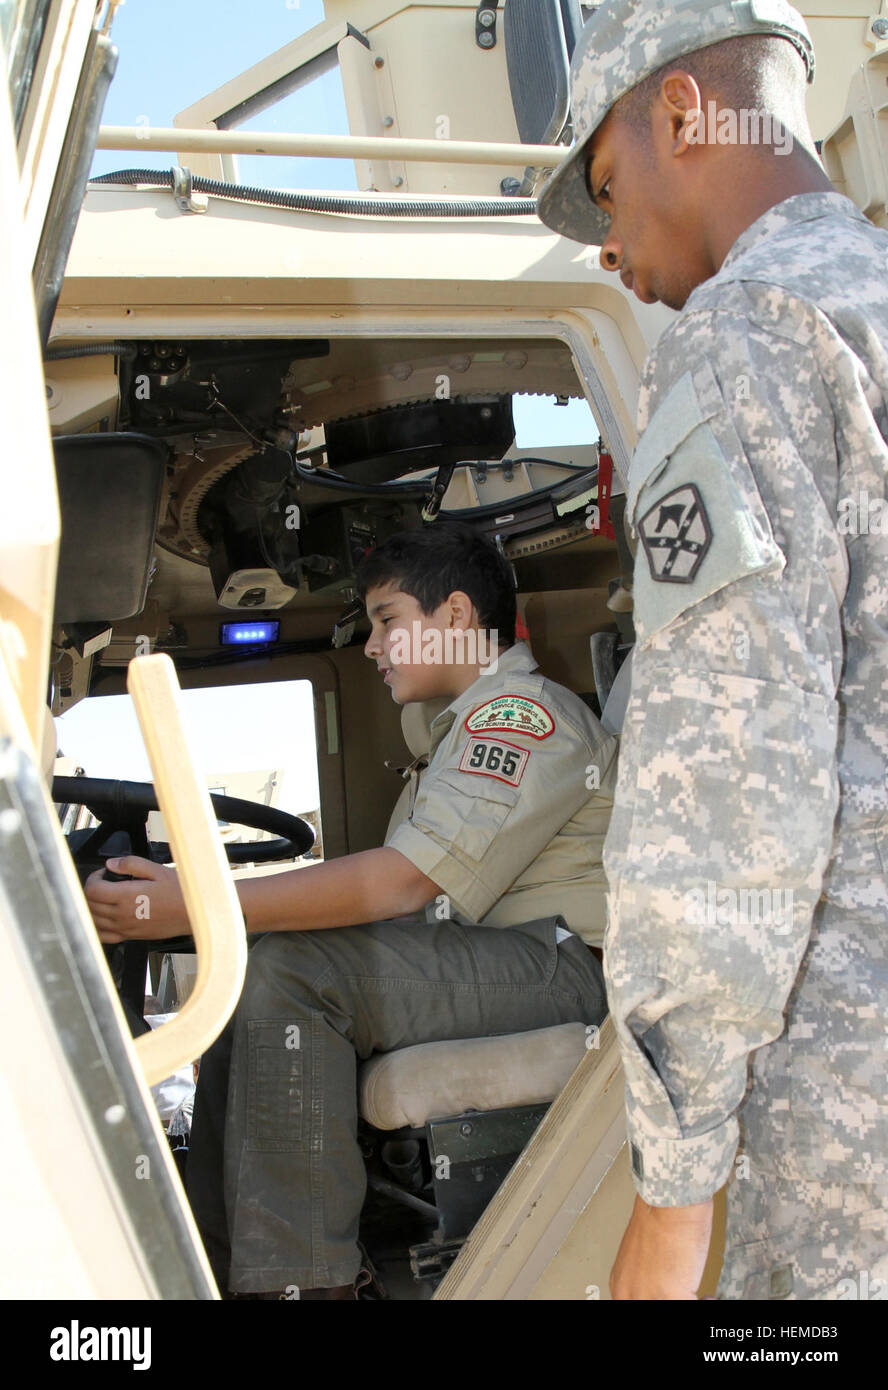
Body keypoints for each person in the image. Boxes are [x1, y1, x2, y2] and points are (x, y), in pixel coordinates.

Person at [538, 0, 888, 1301]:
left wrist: (675, 1197)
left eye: (612, 191)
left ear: (686, 112)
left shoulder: (752, 335)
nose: (614, 252)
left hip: (843, 1088)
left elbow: (729, 787)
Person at [85, 520, 617, 1298]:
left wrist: (200, 909)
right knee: (254, 971)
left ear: (460, 619)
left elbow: (402, 885)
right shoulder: (455, 735)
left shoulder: (521, 717)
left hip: (571, 969)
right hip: (507, 961)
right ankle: (215, 1264)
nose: (371, 647)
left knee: (293, 968)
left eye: (389, 621)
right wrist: (219, 919)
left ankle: (306, 1285)